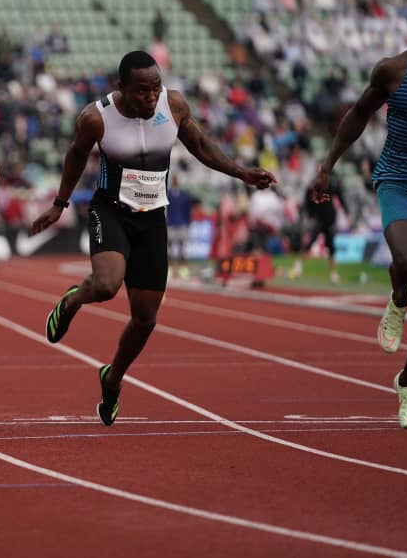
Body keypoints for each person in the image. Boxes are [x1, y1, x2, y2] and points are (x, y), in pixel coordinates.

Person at [32, 51, 276, 426]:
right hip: (111, 210)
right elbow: (76, 155)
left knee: (145, 318)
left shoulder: (173, 105)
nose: (150, 97)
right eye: (142, 90)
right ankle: (73, 300)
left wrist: (241, 172)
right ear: (122, 89)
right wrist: (60, 203)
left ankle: (112, 378)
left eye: (155, 87)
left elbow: (200, 146)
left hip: (152, 218)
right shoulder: (96, 118)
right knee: (107, 284)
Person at [311, 0, 407, 429]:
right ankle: (398, 296)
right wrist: (327, 164)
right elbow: (359, 113)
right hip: (401, 182)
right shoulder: (396, 70)